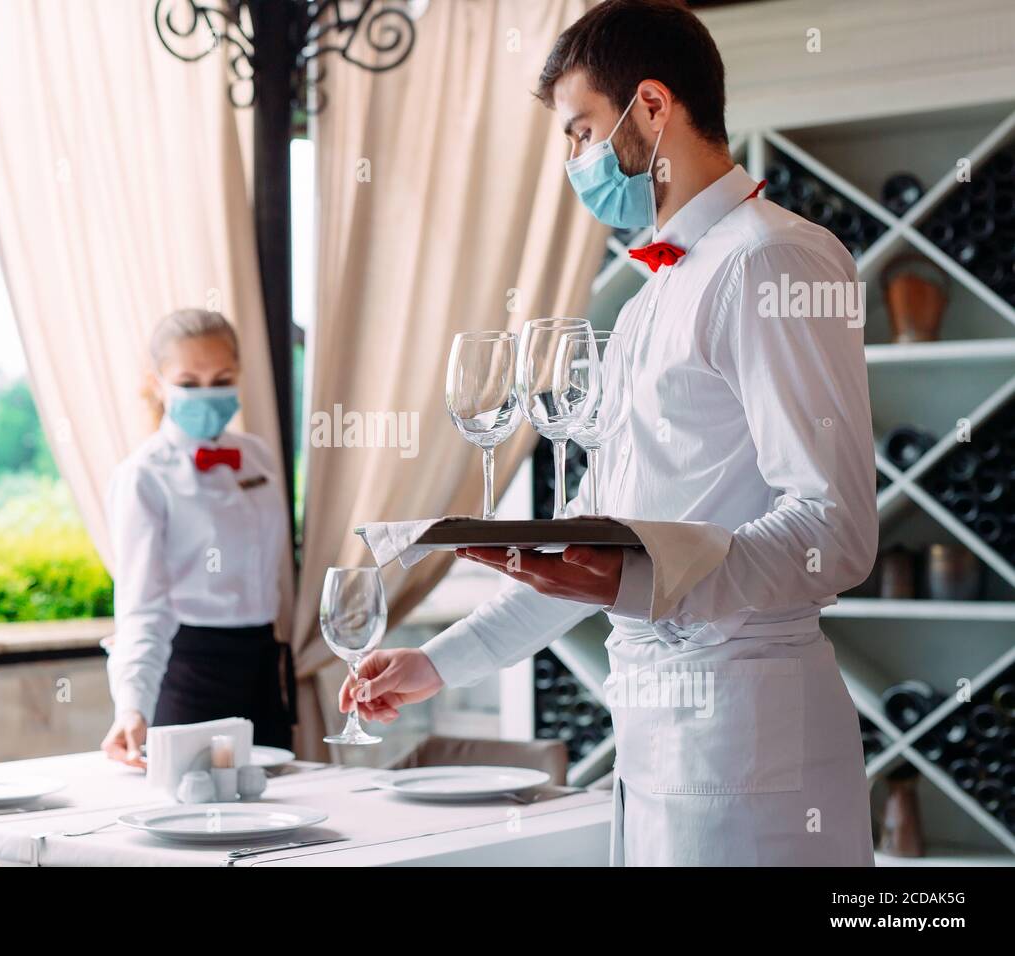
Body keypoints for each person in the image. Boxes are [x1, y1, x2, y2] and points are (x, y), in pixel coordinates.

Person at [340, 0, 878, 866]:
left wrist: (630, 581)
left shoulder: (773, 261)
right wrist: (434, 665)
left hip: (750, 738)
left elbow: (835, 531)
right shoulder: (645, 301)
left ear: (654, 109)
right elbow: (591, 531)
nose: (575, 161)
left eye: (582, 131)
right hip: (652, 730)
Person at [101, 309, 294, 768]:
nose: (207, 393)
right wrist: (131, 706)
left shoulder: (258, 457)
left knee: (284, 814)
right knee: (198, 819)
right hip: (190, 669)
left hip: (264, 665)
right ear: (157, 382)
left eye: (222, 378)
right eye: (189, 382)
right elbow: (142, 604)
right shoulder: (142, 476)